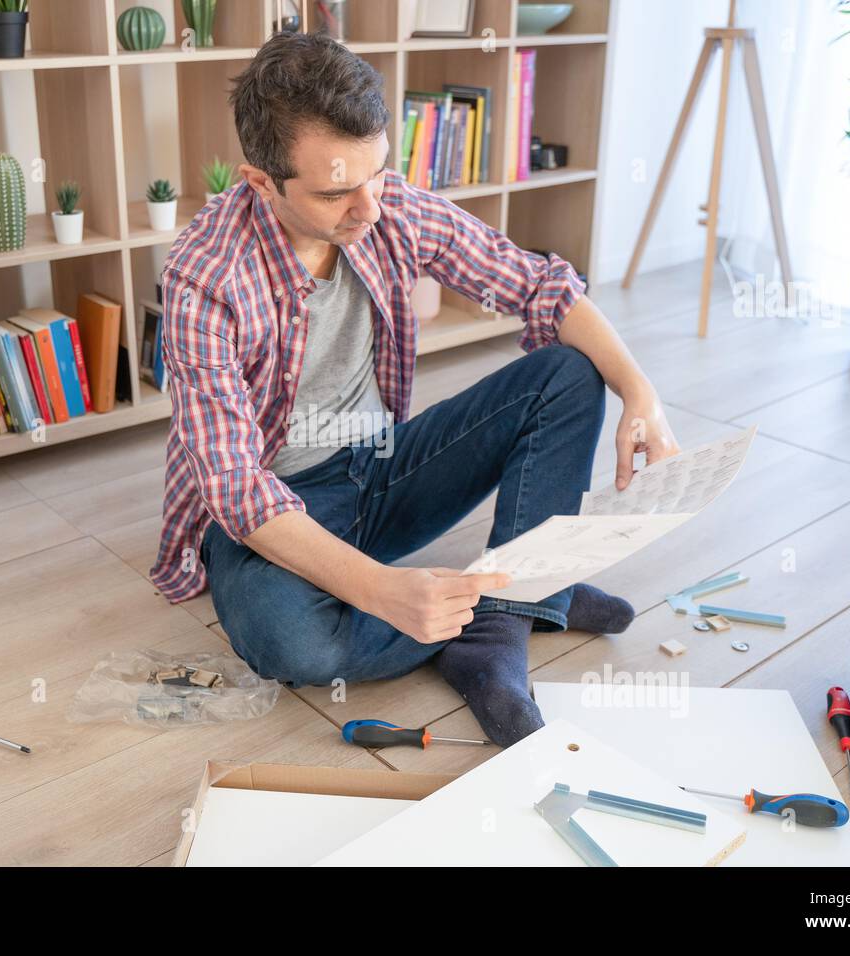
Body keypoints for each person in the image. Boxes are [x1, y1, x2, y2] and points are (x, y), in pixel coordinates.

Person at [148, 32, 680, 746]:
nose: (368, 208)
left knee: (570, 373)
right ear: (261, 182)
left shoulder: (382, 202)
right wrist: (379, 588)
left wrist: (640, 392)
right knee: (290, 645)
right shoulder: (202, 276)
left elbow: (540, 285)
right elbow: (239, 491)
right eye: (337, 191)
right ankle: (519, 602)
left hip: (382, 467)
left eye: (377, 174)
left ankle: (506, 612)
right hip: (279, 513)